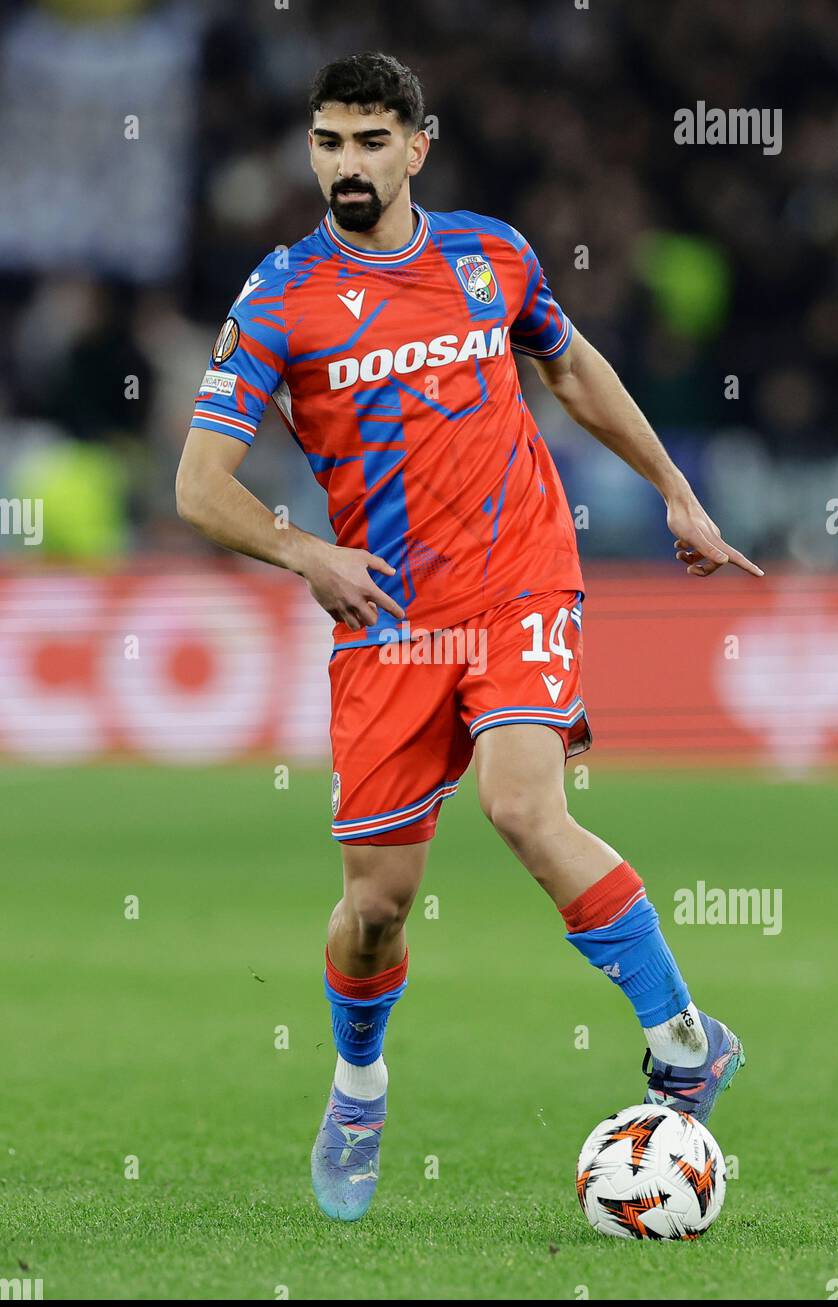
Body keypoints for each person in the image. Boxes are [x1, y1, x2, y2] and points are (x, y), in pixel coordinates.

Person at [176, 51, 760, 1223]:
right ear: (312, 150)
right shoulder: (280, 294)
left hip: (518, 580)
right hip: (385, 618)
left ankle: (684, 1040)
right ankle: (357, 1083)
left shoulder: (489, 255)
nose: (347, 163)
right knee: (375, 905)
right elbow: (199, 486)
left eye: (370, 142)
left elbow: (570, 364)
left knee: (522, 804)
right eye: (329, 142)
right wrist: (307, 551)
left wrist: (673, 493)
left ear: (416, 147)